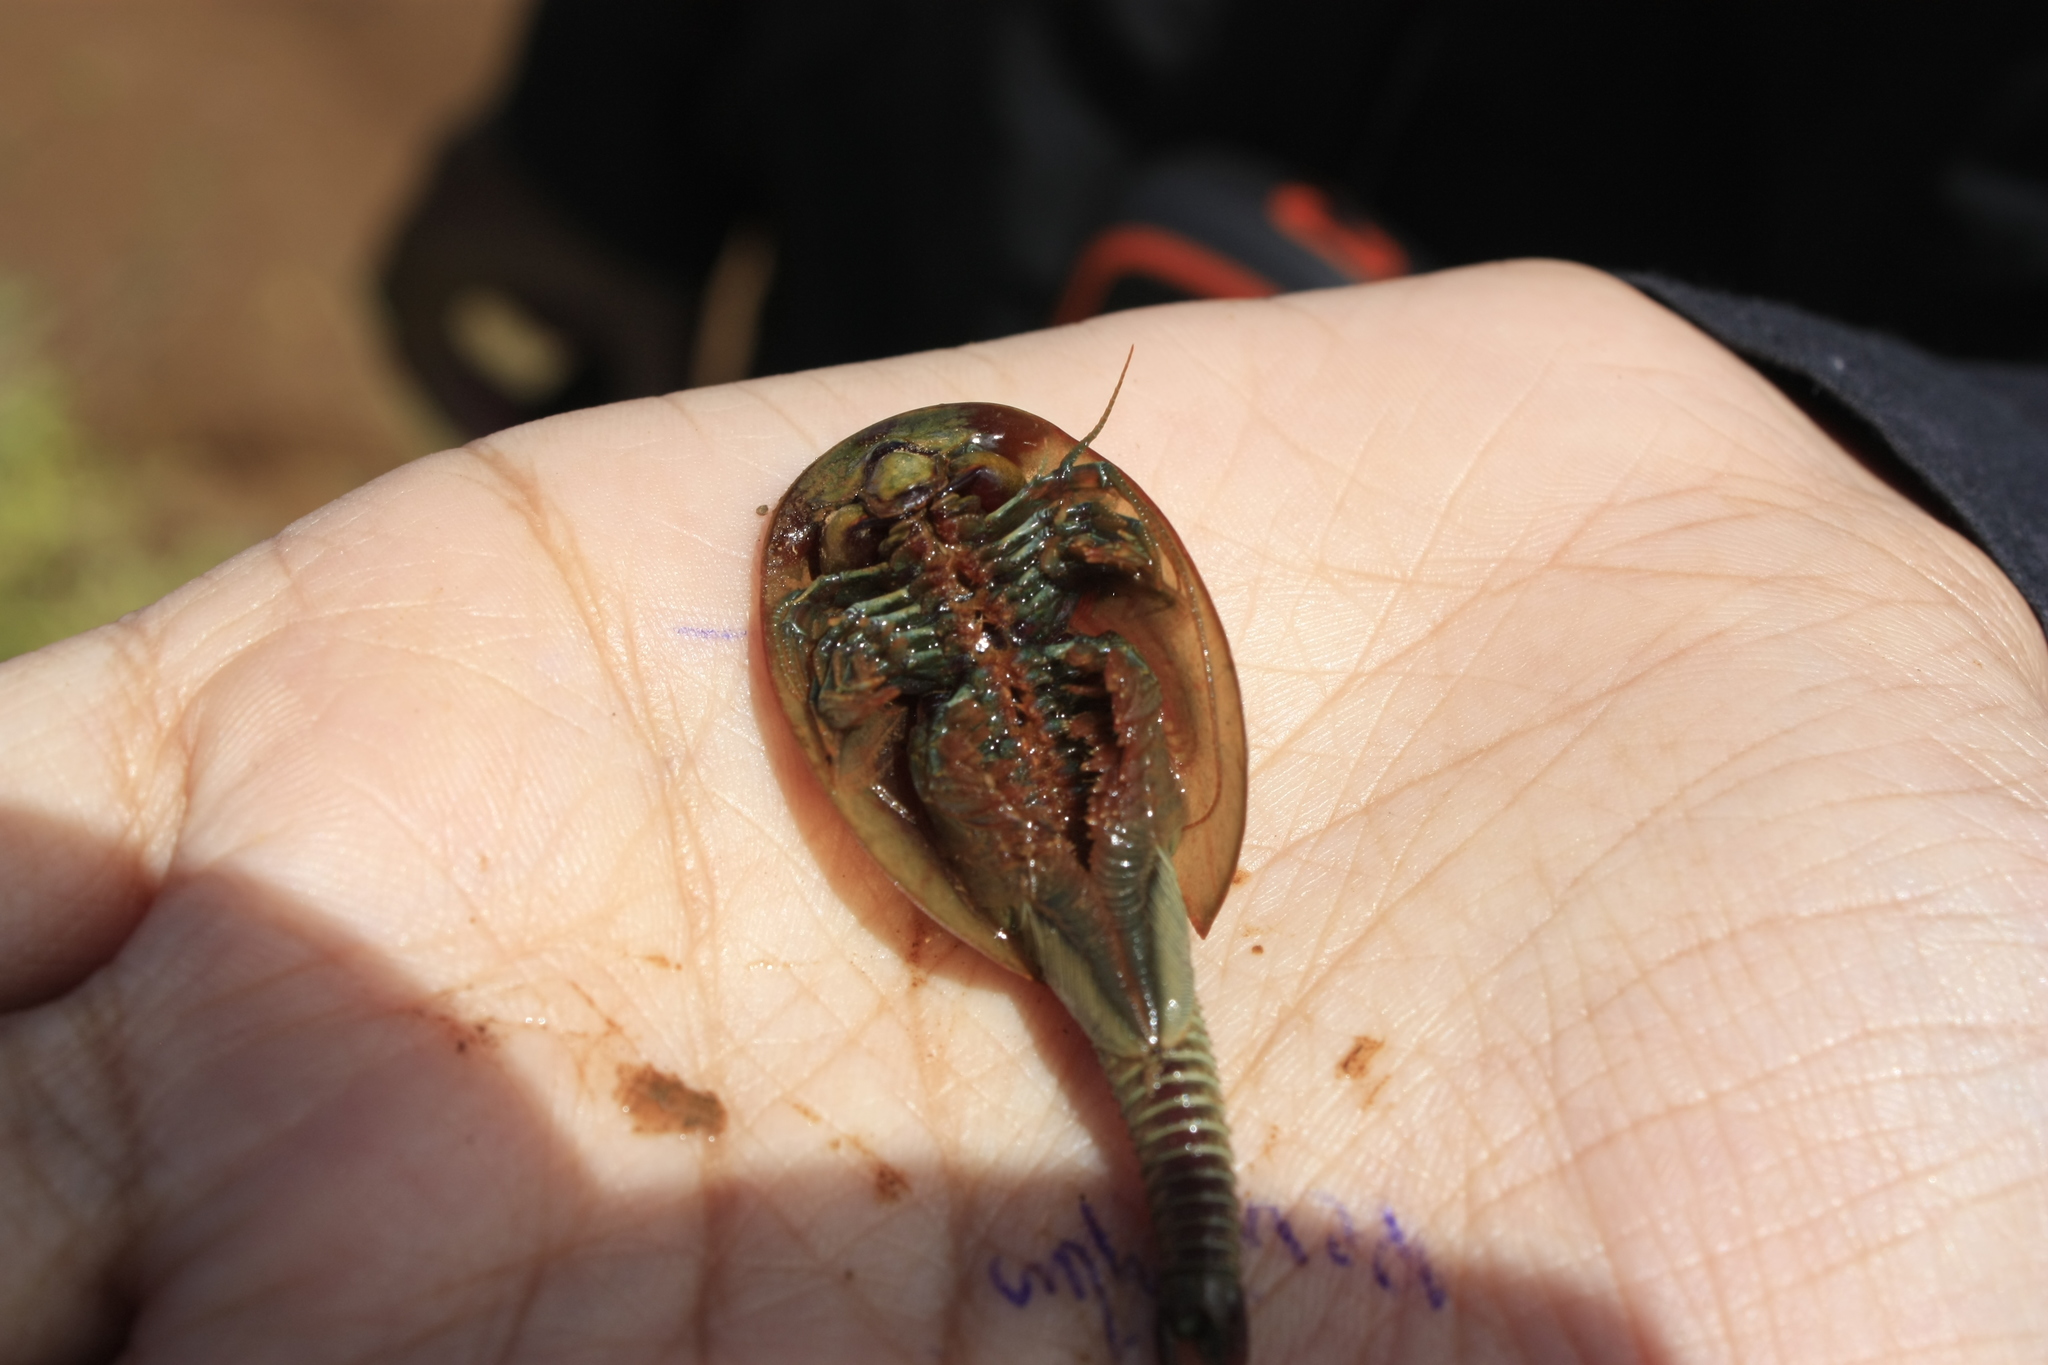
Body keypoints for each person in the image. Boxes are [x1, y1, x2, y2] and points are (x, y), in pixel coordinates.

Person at [4, 265, 2044, 1360]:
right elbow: (925, 684)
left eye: (970, 534)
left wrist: (1929, 508)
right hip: (1024, 665)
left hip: (1066, 739)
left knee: (1086, 854)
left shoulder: (962, 589)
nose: (951, 550)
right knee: (1066, 831)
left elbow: (948, 647)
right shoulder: (1007, 549)